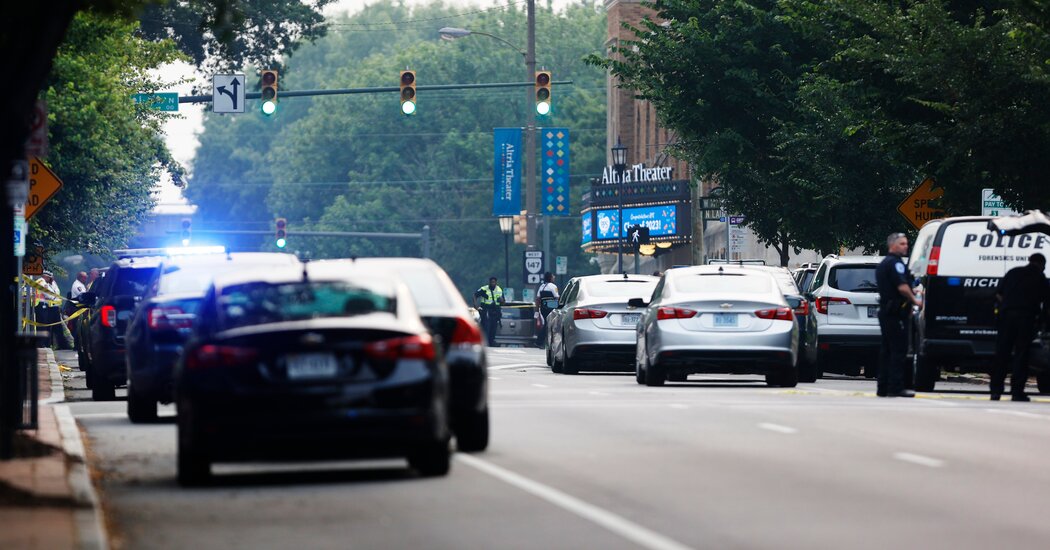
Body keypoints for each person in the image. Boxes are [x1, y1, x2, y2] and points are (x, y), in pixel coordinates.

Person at [992, 253, 1050, 402]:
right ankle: (1017, 391)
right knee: (1021, 355)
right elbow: (1046, 302)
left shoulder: (1013, 272)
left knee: (1001, 354)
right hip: (1026, 319)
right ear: (1042, 264)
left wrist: (1006, 305)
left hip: (1006, 318)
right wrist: (1042, 322)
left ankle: (996, 390)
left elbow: (998, 294)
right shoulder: (1039, 277)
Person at [875, 232, 921, 398]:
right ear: (892, 245)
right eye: (902, 244)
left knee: (887, 350)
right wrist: (916, 301)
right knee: (898, 350)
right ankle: (895, 387)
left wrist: (911, 290)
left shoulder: (884, 263)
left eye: (906, 244)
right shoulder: (896, 264)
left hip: (887, 311)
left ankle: (883, 387)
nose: (906, 246)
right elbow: (902, 287)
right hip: (896, 313)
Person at [473, 277, 504, 347]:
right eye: (491, 282)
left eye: (494, 282)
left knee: (493, 328)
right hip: (486, 310)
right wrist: (475, 305)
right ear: (489, 282)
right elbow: (475, 295)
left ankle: (491, 342)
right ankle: (485, 343)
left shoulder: (499, 290)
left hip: (495, 312)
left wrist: (502, 300)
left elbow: (503, 302)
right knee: (486, 327)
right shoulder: (484, 289)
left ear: (496, 282)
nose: (492, 283)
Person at [535, 272, 559, 347]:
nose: (554, 277)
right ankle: (540, 341)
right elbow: (557, 297)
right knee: (549, 325)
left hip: (543, 308)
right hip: (551, 308)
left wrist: (536, 311)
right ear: (550, 278)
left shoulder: (541, 286)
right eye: (553, 276)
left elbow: (538, 299)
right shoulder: (553, 286)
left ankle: (543, 341)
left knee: (547, 324)